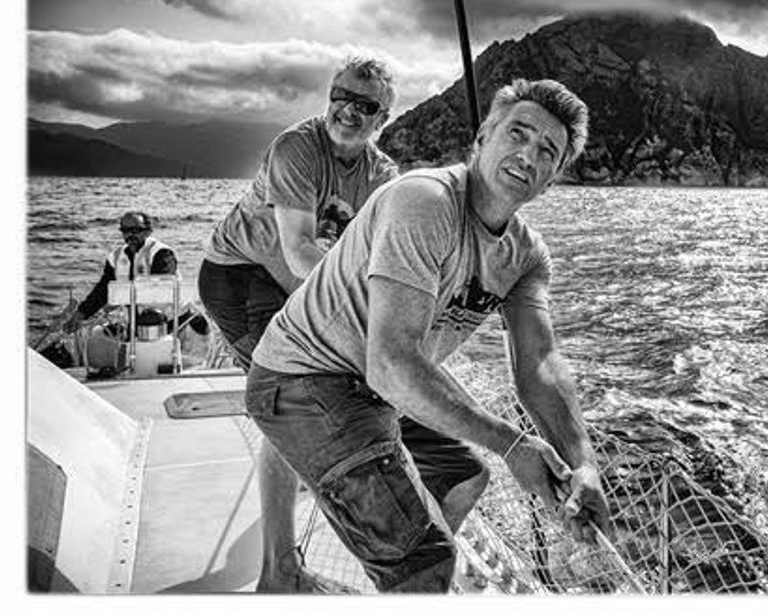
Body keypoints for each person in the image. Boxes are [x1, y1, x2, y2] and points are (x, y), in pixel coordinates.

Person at [245, 78, 611, 593]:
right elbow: (391, 362)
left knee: (463, 480)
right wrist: (512, 446)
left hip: (377, 393)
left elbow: (542, 367)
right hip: (303, 379)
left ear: (551, 180)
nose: (528, 154)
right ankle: (389, 577)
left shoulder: (526, 257)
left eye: (547, 151)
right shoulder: (424, 200)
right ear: (483, 137)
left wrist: (584, 465)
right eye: (517, 134)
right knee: (428, 561)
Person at [198, 57, 399, 592]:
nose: (347, 111)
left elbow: (383, 255)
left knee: (321, 394)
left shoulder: (384, 177)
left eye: (365, 106)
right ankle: (278, 574)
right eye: (340, 95)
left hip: (297, 285)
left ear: (382, 120)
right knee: (289, 403)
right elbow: (299, 249)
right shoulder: (298, 148)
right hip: (239, 276)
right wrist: (367, 310)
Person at [65, 210, 177, 330]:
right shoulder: (116, 257)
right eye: (126, 230)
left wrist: (120, 298)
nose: (130, 235)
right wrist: (81, 314)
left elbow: (161, 286)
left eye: (136, 230)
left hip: (172, 320)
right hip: (138, 323)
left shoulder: (162, 253)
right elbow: (102, 291)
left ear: (148, 232)